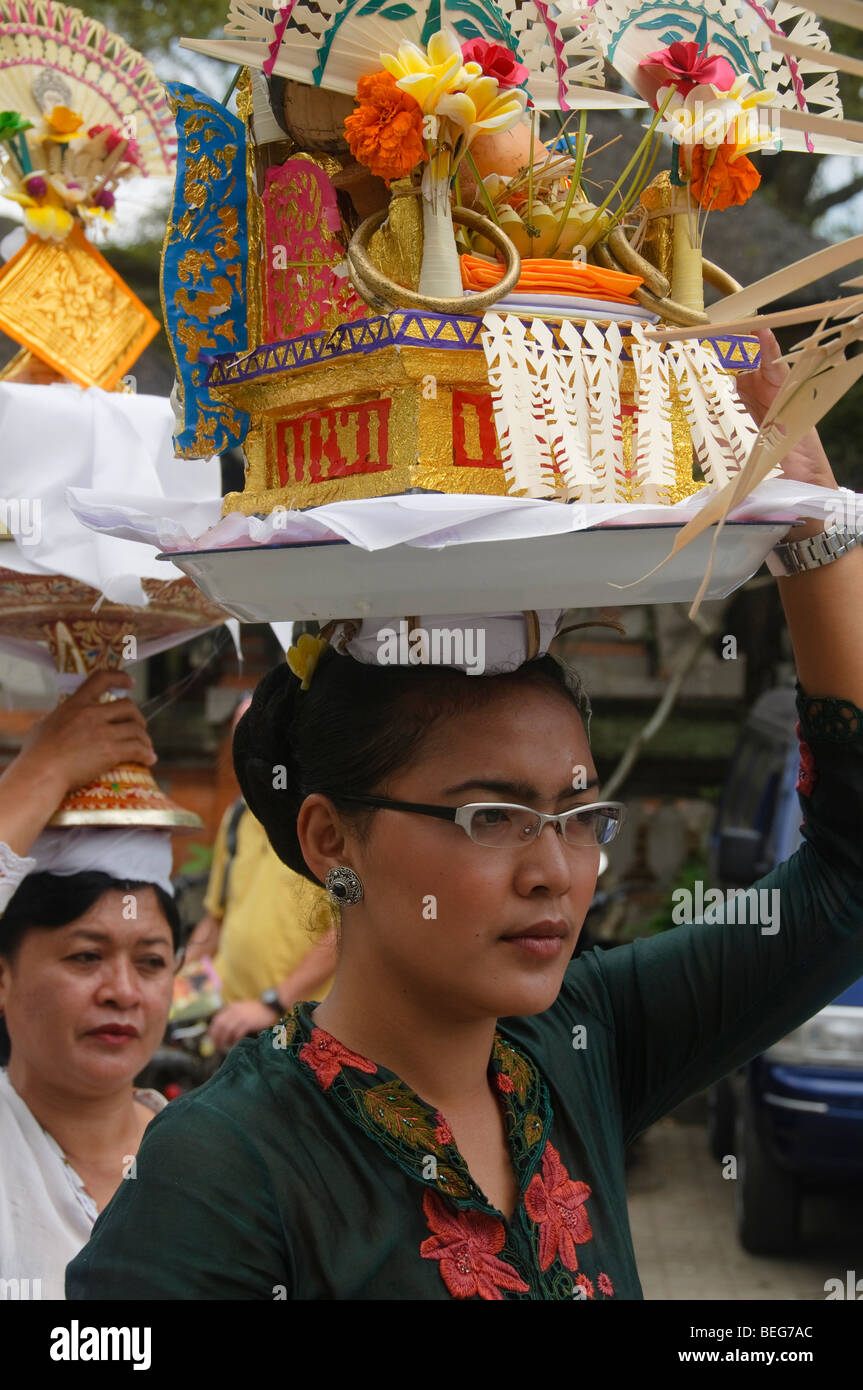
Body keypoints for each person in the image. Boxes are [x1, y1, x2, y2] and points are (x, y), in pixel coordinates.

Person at [66, 336, 863, 1300]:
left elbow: (847, 879)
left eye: (577, 813)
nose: (556, 872)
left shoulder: (578, 1042)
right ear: (331, 841)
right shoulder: (220, 1173)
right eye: (494, 815)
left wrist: (812, 526)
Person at [0, 671, 179, 1299]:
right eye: (84, 957)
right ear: (3, 975)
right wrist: (42, 773)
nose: (122, 991)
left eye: (152, 961)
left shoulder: (209, 1153)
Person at [184, 699, 338, 1051]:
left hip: (298, 1029)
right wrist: (172, 986)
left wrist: (272, 1003)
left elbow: (348, 929)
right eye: (240, 739)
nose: (249, 752)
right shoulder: (237, 815)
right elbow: (216, 921)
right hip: (225, 1021)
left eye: (259, 736)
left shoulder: (327, 822)